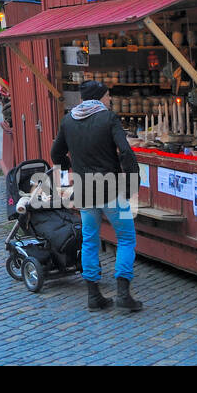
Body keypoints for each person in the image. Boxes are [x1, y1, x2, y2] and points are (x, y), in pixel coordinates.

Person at [50, 80, 143, 312]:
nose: (110, 99)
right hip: (111, 189)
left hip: (84, 190)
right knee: (126, 238)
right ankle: (123, 295)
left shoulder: (68, 120)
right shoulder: (108, 118)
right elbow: (127, 152)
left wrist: (68, 166)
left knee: (90, 241)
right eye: (108, 95)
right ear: (100, 97)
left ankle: (94, 296)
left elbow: (56, 154)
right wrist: (132, 184)